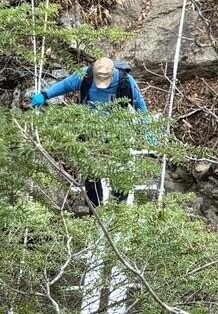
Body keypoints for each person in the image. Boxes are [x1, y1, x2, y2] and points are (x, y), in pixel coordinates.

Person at [30, 56, 149, 208]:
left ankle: (119, 208)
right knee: (90, 171)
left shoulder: (126, 81)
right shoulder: (86, 75)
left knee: (120, 170)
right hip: (89, 130)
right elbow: (66, 85)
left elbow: (140, 105)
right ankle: (95, 207)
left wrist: (147, 131)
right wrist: (45, 95)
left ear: (112, 74)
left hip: (117, 133)